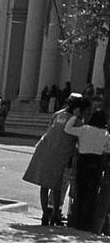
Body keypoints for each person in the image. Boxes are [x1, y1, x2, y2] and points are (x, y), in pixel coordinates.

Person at [22, 93, 84, 225]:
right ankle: (53, 214)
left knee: (47, 185)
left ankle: (48, 214)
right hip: (59, 155)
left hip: (47, 151)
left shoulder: (58, 114)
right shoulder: (77, 120)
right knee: (55, 186)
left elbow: (49, 130)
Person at [64, 109, 110, 231]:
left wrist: (75, 116)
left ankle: (77, 220)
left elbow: (67, 129)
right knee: (92, 192)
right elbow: (108, 149)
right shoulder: (105, 133)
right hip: (97, 163)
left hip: (83, 161)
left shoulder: (85, 129)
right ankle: (88, 222)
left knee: (80, 191)